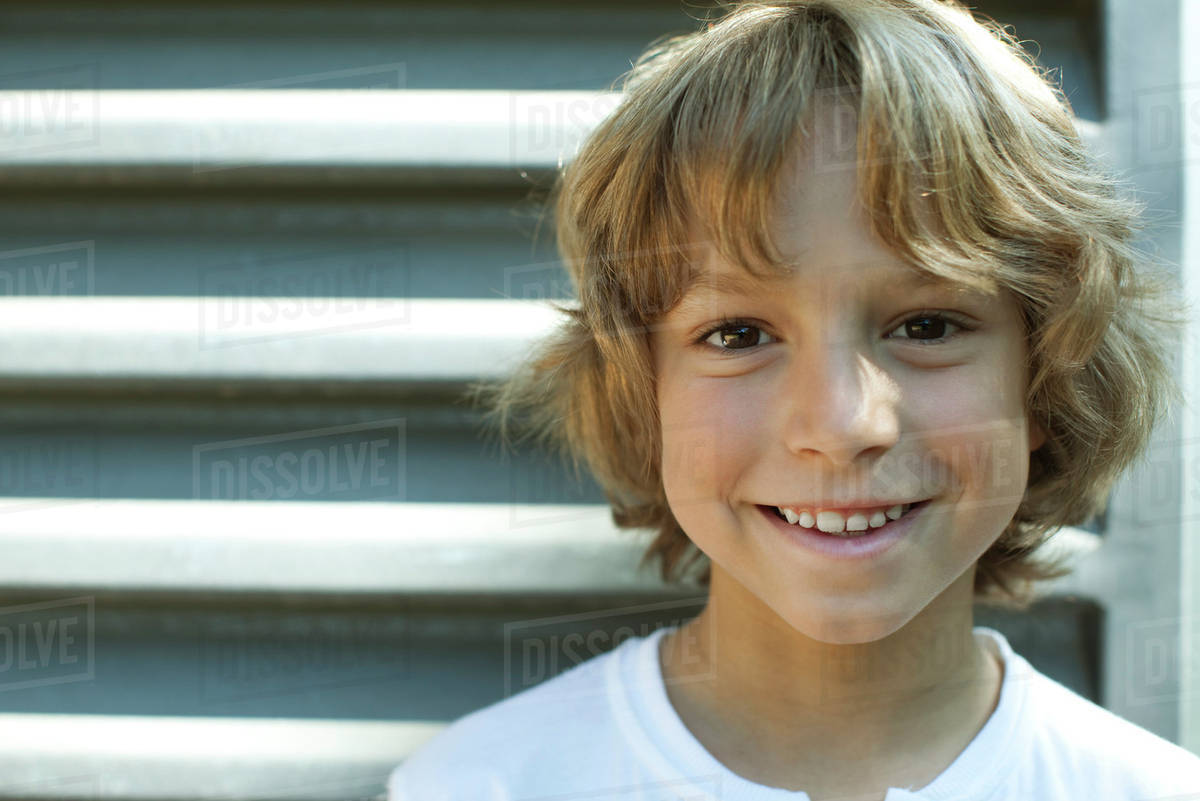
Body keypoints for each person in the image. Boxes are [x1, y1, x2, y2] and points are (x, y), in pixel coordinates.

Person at [389, 1, 1200, 799]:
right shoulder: (484, 783)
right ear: (643, 392)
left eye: (926, 324)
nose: (843, 426)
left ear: (1046, 377)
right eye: (738, 335)